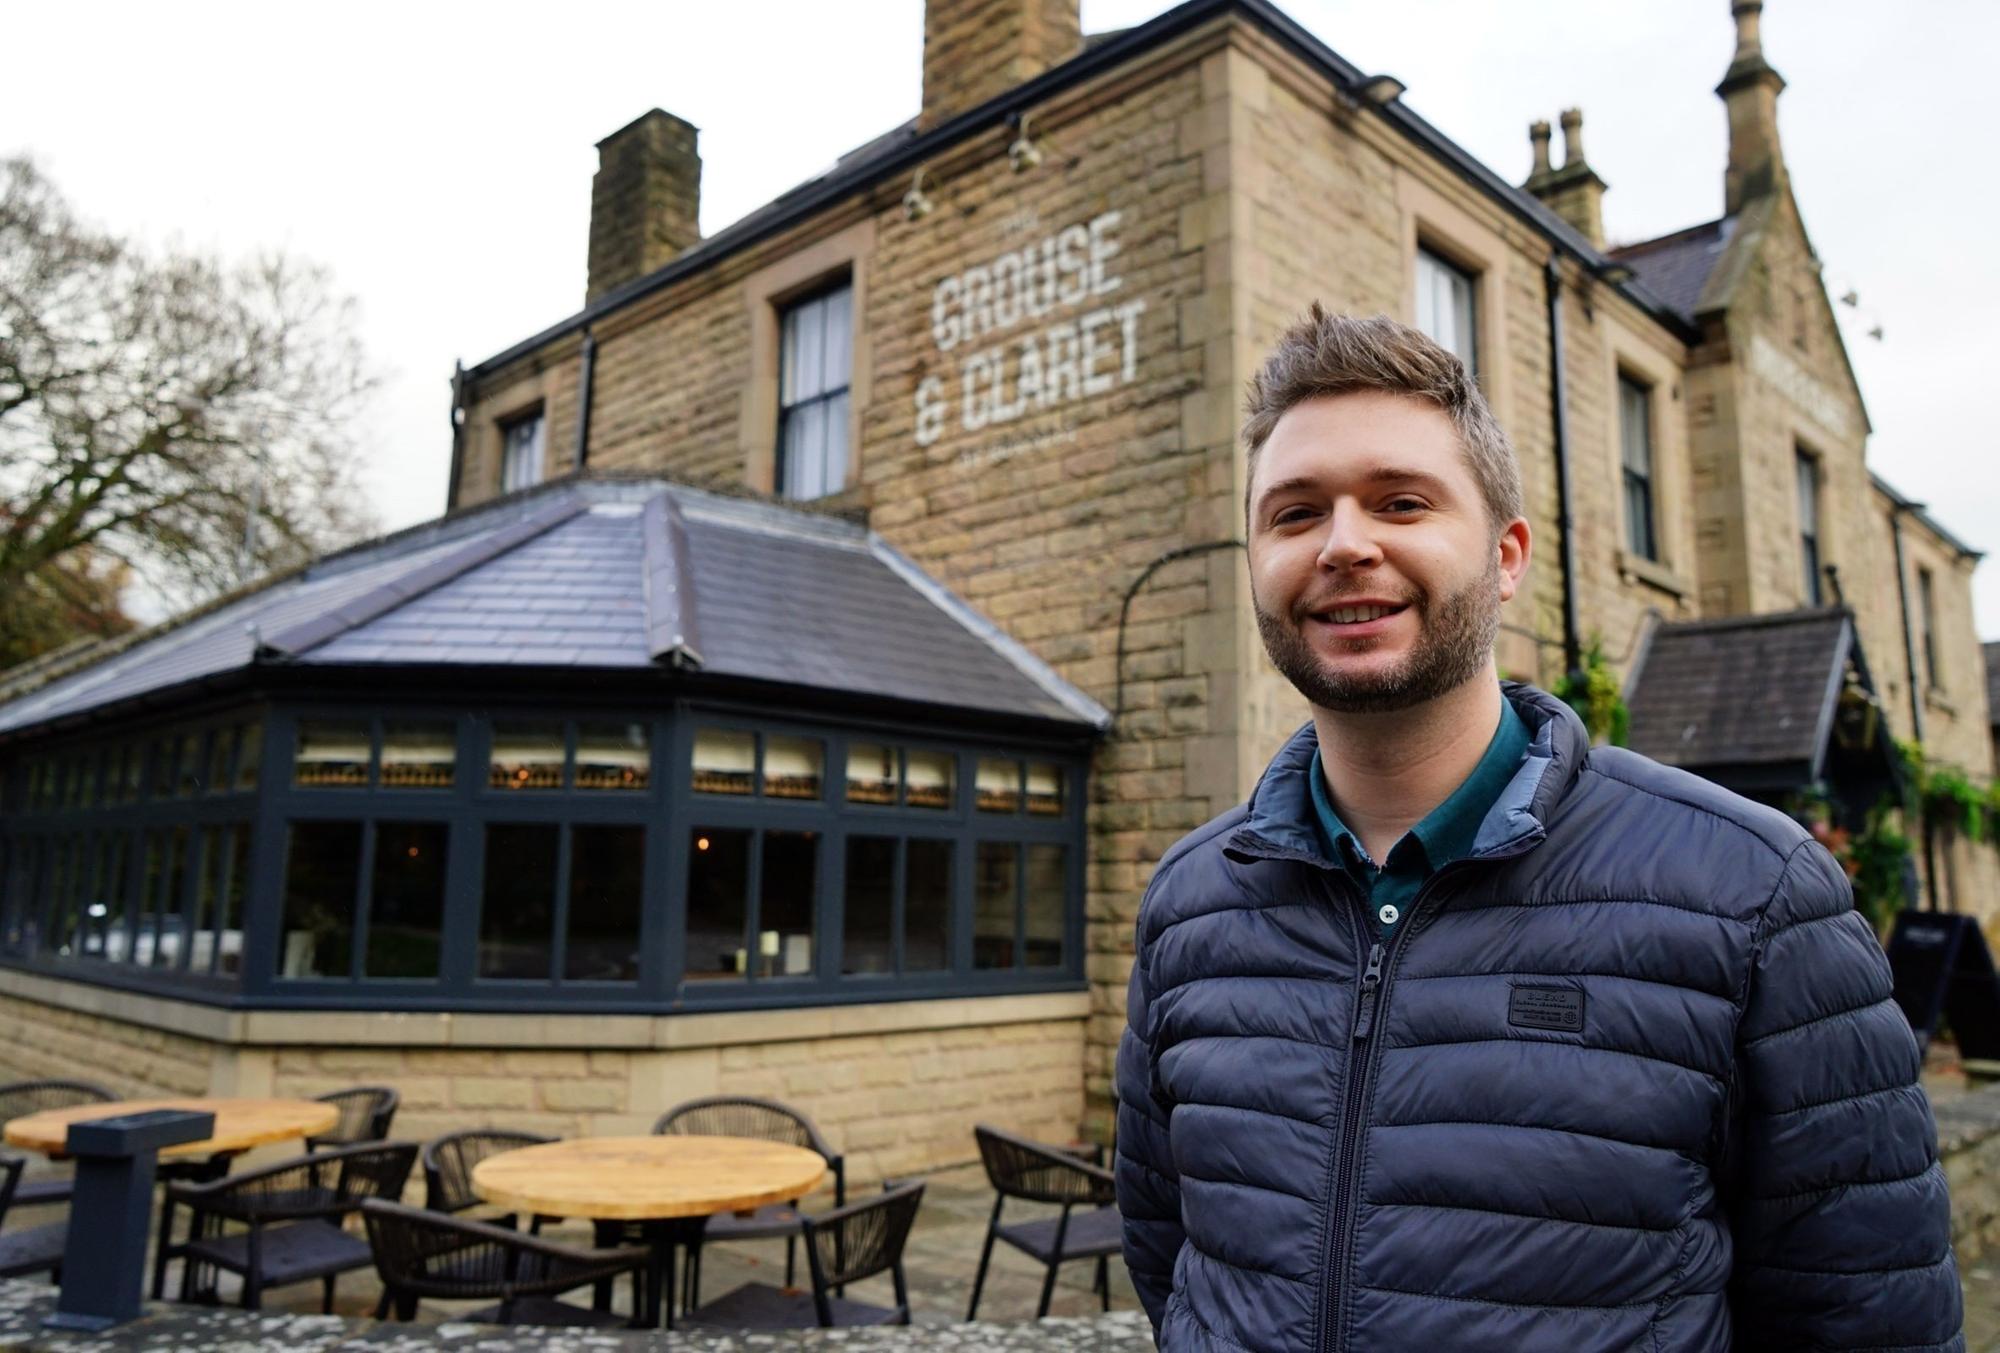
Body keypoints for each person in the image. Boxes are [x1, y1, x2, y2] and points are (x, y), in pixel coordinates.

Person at [1113, 307, 1959, 1350]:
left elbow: (1868, 1317)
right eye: (1292, 515)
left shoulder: (1755, 895)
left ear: (1506, 556)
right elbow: (1172, 1262)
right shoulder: (1191, 900)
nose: (1342, 544)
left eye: (1400, 501)